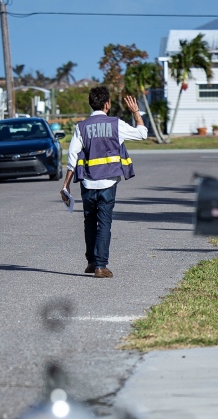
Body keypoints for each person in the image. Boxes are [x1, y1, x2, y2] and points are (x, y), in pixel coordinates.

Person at [60, 86, 147, 278]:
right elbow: (142, 134)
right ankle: (100, 266)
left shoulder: (81, 127)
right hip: (108, 183)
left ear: (91, 103)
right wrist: (135, 112)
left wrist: (66, 184)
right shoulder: (116, 124)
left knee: (89, 222)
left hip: (88, 184)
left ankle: (92, 262)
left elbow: (72, 155)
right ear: (107, 104)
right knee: (104, 222)